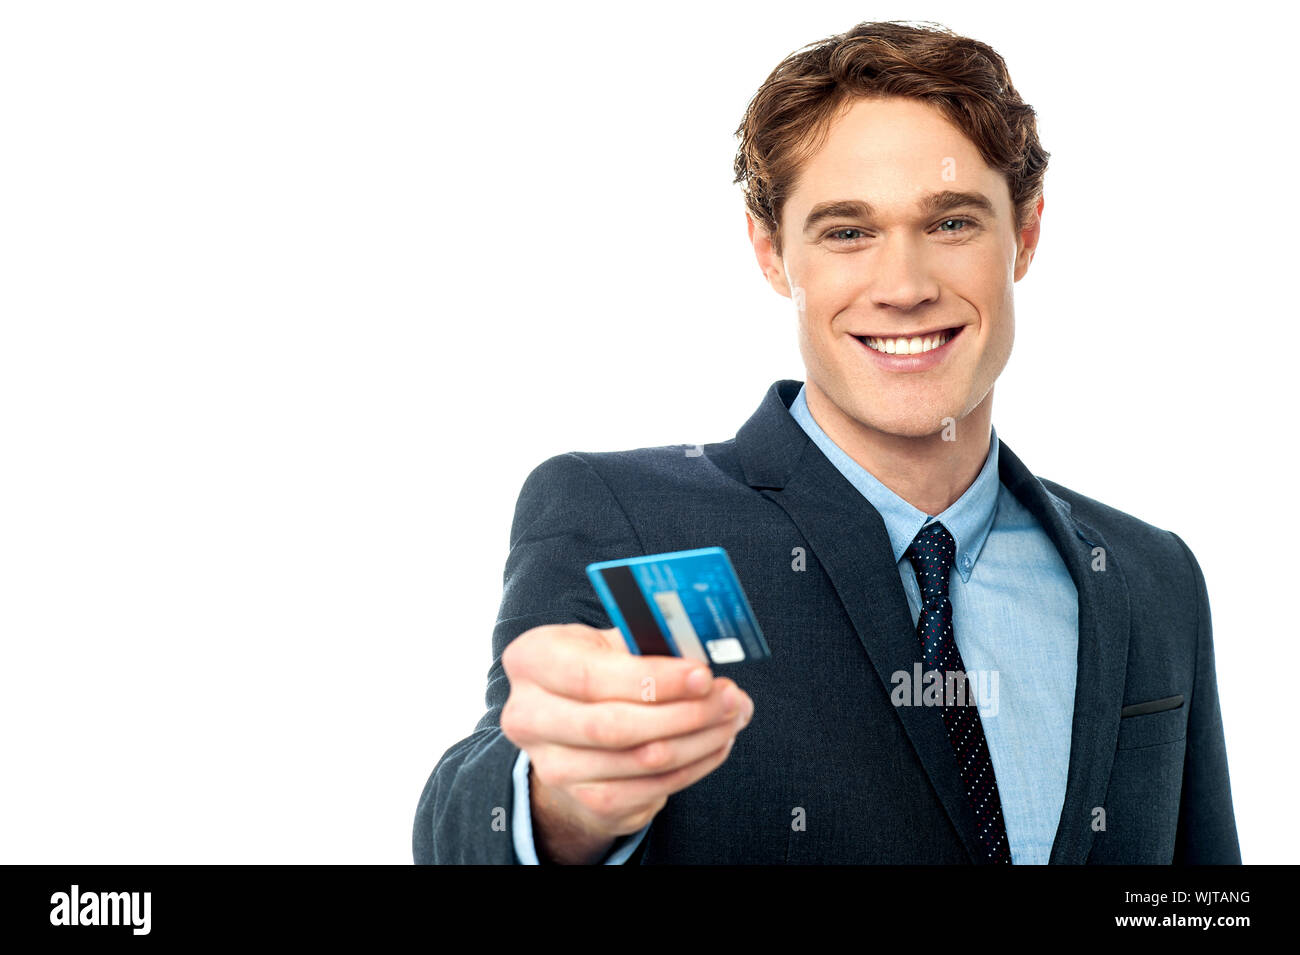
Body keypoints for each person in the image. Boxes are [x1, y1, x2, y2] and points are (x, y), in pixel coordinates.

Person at [412, 19, 1240, 865]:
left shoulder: (1149, 575)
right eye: (848, 231)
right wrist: (560, 804)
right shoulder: (640, 527)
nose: (906, 287)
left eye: (952, 223)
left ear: (1026, 233)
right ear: (771, 253)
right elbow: (467, 824)